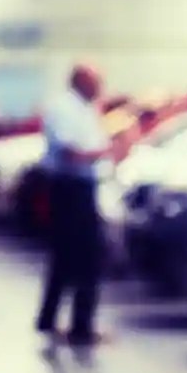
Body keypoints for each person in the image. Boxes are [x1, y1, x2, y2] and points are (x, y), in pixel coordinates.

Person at [34, 64, 113, 350]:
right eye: (97, 81)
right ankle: (81, 327)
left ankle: (49, 318)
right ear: (81, 81)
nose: (101, 87)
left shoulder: (86, 109)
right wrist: (107, 151)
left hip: (82, 188)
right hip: (70, 190)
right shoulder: (63, 109)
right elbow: (71, 152)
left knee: (66, 257)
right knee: (86, 257)